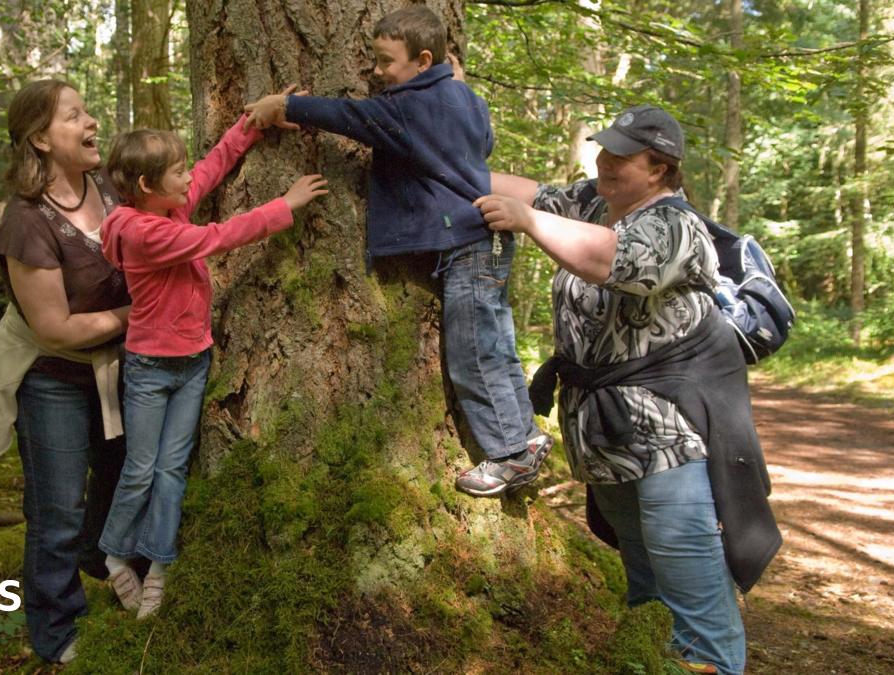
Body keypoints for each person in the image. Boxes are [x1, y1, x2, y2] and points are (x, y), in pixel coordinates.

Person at [475, 105, 781, 675]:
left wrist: (529, 221)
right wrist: (424, 149)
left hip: (668, 442)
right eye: (604, 150)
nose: (606, 163)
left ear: (659, 168)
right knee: (648, 598)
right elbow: (514, 186)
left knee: (694, 604)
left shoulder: (676, 226)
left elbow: (618, 264)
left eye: (622, 156)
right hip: (606, 442)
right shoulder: (594, 202)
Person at [243, 5, 550, 498]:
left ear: (423, 59)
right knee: (495, 346)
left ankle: (511, 454)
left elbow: (350, 117)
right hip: (487, 237)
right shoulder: (466, 98)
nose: (378, 72)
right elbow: (485, 144)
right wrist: (452, 86)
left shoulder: (405, 107)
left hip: (467, 242)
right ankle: (526, 438)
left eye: (387, 62)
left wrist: (283, 104)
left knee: (473, 353)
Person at [96, 110, 328, 619]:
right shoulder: (142, 232)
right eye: (175, 172)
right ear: (145, 185)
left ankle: (157, 567)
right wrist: (283, 206)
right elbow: (217, 237)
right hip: (150, 369)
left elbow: (211, 168)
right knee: (140, 468)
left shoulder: (170, 209)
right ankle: (116, 556)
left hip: (193, 362)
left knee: (172, 468)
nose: (187, 176)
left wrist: (252, 124)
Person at [0, 79, 131, 664]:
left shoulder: (113, 185)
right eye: (74, 115)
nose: (92, 120)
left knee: (125, 479)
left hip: (116, 366)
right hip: (51, 375)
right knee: (57, 508)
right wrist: (139, 314)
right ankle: (57, 631)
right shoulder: (25, 222)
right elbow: (56, 329)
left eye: (88, 109)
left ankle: (103, 557)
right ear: (41, 138)